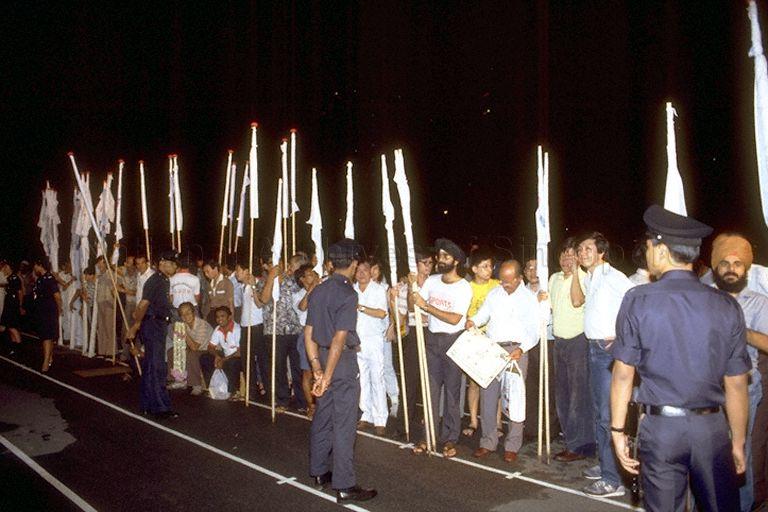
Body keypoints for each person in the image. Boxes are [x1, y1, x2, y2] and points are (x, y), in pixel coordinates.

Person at [611, 205, 750, 511]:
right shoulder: (726, 305)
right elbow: (737, 384)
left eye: (649, 247)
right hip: (712, 429)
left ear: (661, 251)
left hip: (661, 430)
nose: (647, 254)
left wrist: (618, 431)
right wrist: (738, 442)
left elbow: (623, 373)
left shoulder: (638, 300)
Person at [305, 239, 377, 503]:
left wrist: (317, 370)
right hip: (341, 363)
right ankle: (345, 484)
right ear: (355, 263)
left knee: (323, 417)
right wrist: (329, 375)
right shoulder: (348, 294)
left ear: (332, 263)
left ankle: (319, 471)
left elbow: (309, 332)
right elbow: (339, 339)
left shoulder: (319, 291)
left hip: (321, 358)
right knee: (345, 423)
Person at [709, 233, 768, 511]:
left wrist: (739, 331)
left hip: (744, 388)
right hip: (706, 388)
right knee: (707, 454)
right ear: (715, 268)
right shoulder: (705, 298)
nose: (731, 268)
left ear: (746, 268)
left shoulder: (759, 302)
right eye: (724, 263)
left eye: (737, 263)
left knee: (740, 452)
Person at [573, 231, 634, 497]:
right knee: (600, 412)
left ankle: (612, 480)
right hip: (593, 348)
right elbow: (576, 300)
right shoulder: (592, 277)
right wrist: (576, 270)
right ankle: (606, 464)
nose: (582, 253)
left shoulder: (614, 277)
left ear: (601, 252)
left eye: (588, 249)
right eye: (579, 249)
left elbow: (634, 302)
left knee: (607, 415)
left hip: (607, 351)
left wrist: (620, 337)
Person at [467, 259, 538, 462]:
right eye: (502, 280)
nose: (503, 284)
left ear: (518, 278)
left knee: (515, 398)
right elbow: (484, 315)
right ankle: (488, 441)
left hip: (516, 351)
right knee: (488, 396)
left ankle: (513, 444)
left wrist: (522, 349)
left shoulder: (528, 298)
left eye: (508, 281)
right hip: (492, 349)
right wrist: (473, 321)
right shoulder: (495, 293)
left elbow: (533, 332)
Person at [410, 238, 473, 458]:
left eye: (446, 256)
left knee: (453, 394)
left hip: (453, 341)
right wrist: (414, 287)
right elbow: (414, 305)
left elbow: (455, 318)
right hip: (432, 341)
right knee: (431, 390)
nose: (440, 259)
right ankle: (428, 436)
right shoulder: (432, 281)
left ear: (456, 261)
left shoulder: (464, 287)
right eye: (440, 255)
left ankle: (449, 439)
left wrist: (427, 306)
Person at [546, 238, 594, 462]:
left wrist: (575, 273)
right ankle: (573, 439)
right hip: (559, 342)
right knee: (562, 395)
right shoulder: (554, 278)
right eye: (563, 254)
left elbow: (577, 301)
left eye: (571, 254)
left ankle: (577, 446)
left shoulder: (585, 278)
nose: (566, 258)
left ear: (579, 258)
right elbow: (550, 307)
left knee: (578, 396)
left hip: (578, 342)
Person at [126, 250, 179, 420]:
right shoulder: (156, 281)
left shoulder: (162, 280)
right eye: (172, 264)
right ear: (163, 263)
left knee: (150, 366)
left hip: (156, 324)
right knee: (157, 366)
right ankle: (161, 407)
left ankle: (147, 404)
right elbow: (143, 305)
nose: (175, 268)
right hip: (154, 325)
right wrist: (135, 326)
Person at [257, 253, 308, 411]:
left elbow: (304, 287)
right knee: (278, 368)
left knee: (298, 367)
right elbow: (264, 300)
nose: (275, 265)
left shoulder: (292, 280)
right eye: (271, 263)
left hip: (294, 329)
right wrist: (271, 279)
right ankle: (283, 400)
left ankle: (302, 401)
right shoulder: (264, 282)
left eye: (277, 262)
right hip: (274, 330)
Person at [463, 249, 500, 438]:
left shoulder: (498, 285)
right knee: (475, 382)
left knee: (496, 381)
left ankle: (498, 423)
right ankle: (473, 421)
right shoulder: (466, 287)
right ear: (475, 268)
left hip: (494, 338)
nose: (489, 270)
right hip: (475, 338)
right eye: (484, 266)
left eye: (490, 266)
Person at [354, 257, 389, 435]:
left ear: (370, 272)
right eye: (358, 270)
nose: (361, 274)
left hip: (374, 341)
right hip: (357, 342)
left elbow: (382, 313)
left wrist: (360, 307)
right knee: (362, 380)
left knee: (377, 378)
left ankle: (380, 419)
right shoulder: (351, 290)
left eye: (364, 270)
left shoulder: (378, 290)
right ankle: (365, 415)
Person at [370, 257, 400, 419]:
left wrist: (392, 326)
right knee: (370, 369)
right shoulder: (360, 288)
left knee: (387, 366)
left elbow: (392, 309)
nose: (373, 272)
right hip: (367, 335)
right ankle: (373, 404)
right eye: (370, 269)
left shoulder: (385, 288)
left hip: (383, 333)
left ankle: (394, 400)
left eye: (376, 269)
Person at [235, 262, 266, 399]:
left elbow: (260, 303)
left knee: (262, 359)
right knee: (246, 360)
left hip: (257, 326)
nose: (236, 273)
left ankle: (267, 388)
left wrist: (253, 285)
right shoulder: (242, 286)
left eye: (238, 270)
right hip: (245, 326)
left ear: (247, 270)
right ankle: (251, 390)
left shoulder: (258, 282)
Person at [200, 306, 243, 400]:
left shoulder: (237, 329)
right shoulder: (218, 329)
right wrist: (217, 356)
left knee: (232, 362)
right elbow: (210, 347)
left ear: (229, 317)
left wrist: (223, 359)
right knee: (205, 358)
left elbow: (240, 352)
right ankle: (211, 388)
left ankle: (234, 392)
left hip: (238, 358)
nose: (219, 319)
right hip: (226, 356)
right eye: (217, 317)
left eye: (222, 316)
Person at [293, 263, 319, 417]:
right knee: (308, 373)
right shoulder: (297, 294)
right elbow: (302, 307)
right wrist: (312, 288)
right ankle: (311, 405)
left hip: (322, 333)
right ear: (302, 279)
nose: (314, 276)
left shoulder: (321, 290)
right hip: (307, 335)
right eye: (310, 274)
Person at [178, 301, 213, 396]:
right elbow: (180, 344)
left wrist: (184, 333)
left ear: (194, 312)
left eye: (188, 313)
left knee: (192, 354)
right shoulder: (183, 324)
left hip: (210, 350)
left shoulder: (202, 325)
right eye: (182, 314)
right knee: (173, 351)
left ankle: (196, 384)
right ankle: (180, 379)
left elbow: (194, 348)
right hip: (198, 349)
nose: (185, 316)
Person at [32, 258, 61, 372]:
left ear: (40, 265)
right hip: (42, 310)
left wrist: (59, 309)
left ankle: (45, 362)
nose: (34, 268)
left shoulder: (49, 278)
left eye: (35, 266)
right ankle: (49, 357)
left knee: (47, 336)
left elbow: (57, 296)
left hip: (49, 310)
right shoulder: (40, 279)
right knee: (45, 335)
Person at [94, 256, 116, 357]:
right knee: (102, 327)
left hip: (109, 303)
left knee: (109, 327)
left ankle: (111, 351)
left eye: (101, 263)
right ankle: (102, 351)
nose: (99, 265)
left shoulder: (110, 274)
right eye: (98, 263)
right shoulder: (99, 275)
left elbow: (118, 282)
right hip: (100, 302)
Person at [1, 261, 24, 350]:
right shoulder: (10, 278)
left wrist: (20, 306)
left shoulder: (14, 278)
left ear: (8, 267)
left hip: (12, 306)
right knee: (9, 328)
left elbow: (20, 292)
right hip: (9, 305)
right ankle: (14, 347)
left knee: (12, 327)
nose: (3, 270)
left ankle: (19, 347)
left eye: (4, 268)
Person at [203, 260, 234, 327]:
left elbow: (230, 303)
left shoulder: (227, 283)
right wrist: (205, 317)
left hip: (223, 316)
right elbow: (208, 302)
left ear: (216, 269)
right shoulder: (208, 285)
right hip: (211, 315)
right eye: (204, 272)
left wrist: (231, 319)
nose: (206, 274)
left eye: (208, 271)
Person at [55, 261, 76, 346]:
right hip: (62, 298)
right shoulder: (61, 275)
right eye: (67, 265)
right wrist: (71, 281)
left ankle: (69, 337)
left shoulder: (72, 274)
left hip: (69, 298)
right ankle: (65, 337)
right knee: (63, 318)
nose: (68, 266)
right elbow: (64, 287)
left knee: (69, 318)